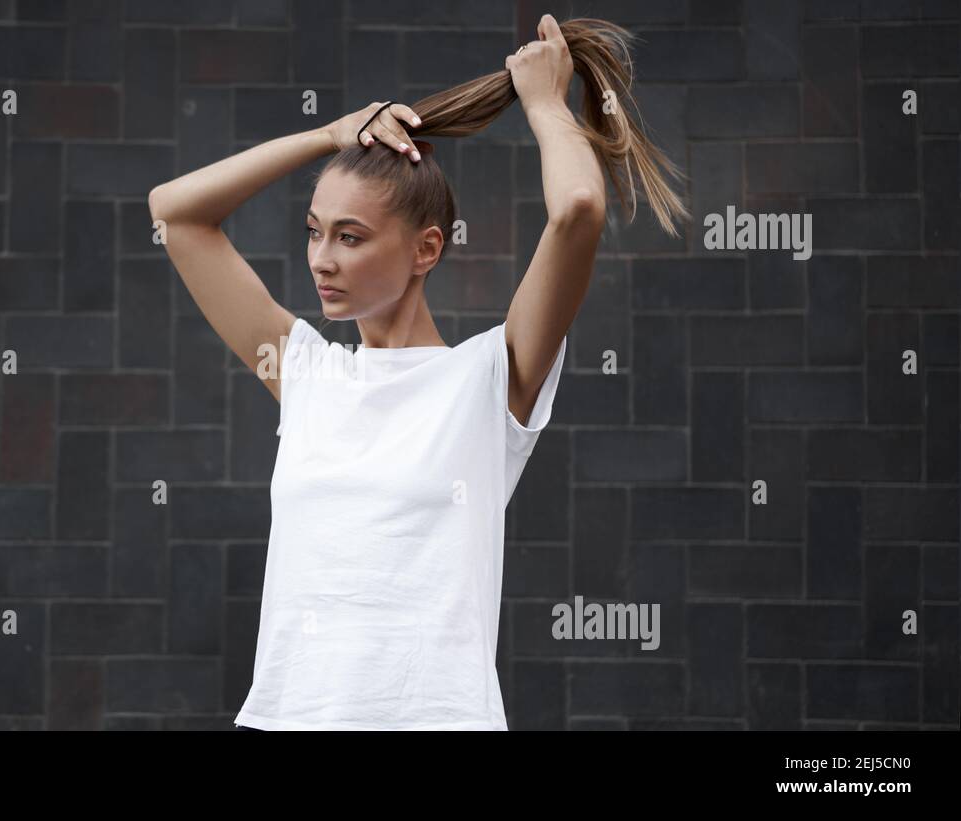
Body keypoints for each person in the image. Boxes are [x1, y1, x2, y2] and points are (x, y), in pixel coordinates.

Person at [149, 15, 687, 731]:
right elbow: (176, 215)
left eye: (350, 236)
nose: (321, 259)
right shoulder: (305, 371)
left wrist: (544, 105)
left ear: (426, 248)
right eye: (314, 231)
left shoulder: (490, 379)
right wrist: (329, 135)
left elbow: (579, 210)